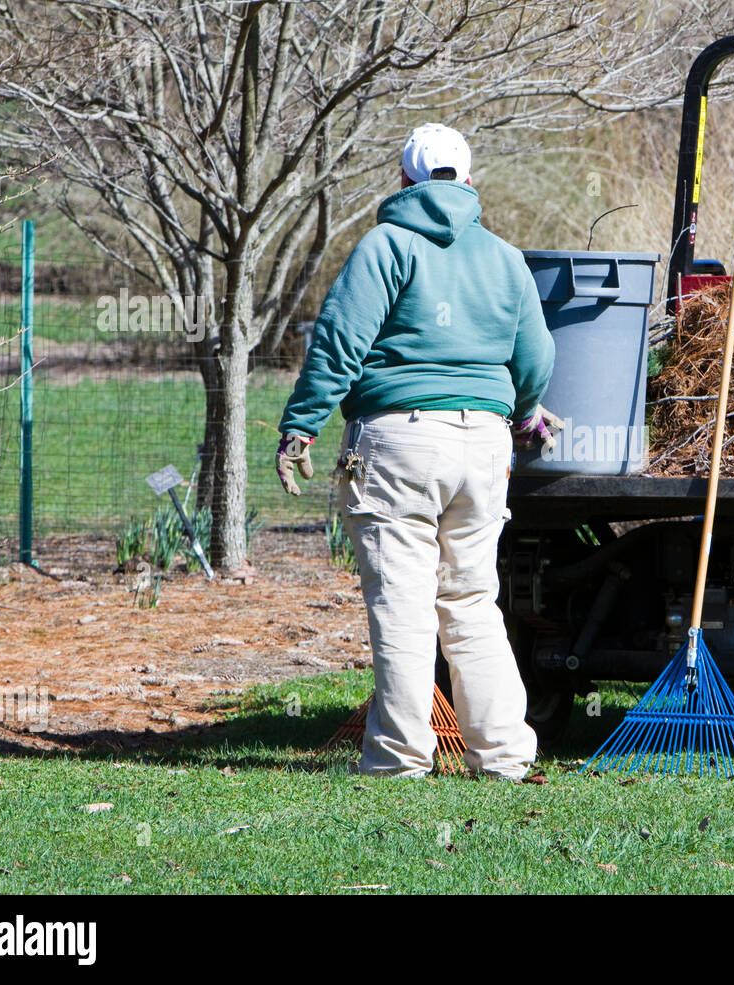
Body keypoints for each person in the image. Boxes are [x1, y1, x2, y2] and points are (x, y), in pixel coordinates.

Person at [275, 123, 560, 779]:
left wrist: (302, 425)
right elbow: (538, 356)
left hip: (399, 438)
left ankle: (399, 757)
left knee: (403, 603)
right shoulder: (504, 257)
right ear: (468, 179)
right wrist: (521, 409)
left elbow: (340, 342)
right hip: (484, 446)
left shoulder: (386, 246)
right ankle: (505, 755)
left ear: (403, 181)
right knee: (471, 600)